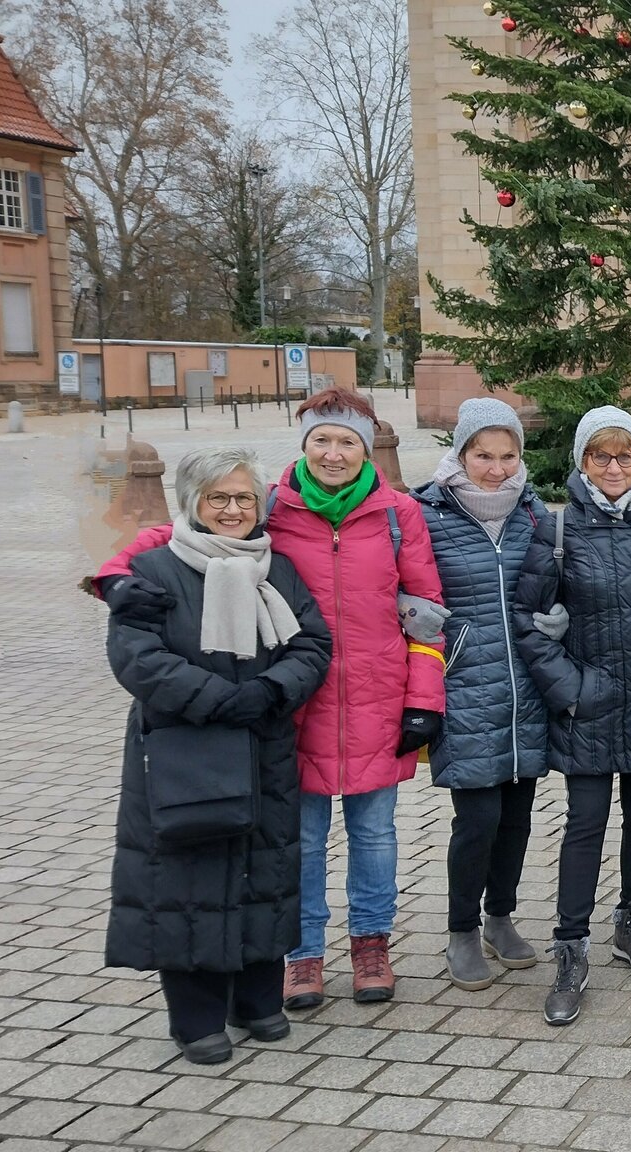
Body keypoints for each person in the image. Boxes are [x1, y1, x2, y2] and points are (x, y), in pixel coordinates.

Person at [95, 388, 446, 1009]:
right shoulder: (273, 506)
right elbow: (169, 534)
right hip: (292, 705)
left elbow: (426, 614)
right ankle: (303, 952)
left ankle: (371, 946)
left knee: (375, 835)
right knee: (299, 840)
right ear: (303, 444)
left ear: (364, 449)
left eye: (346, 442)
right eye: (321, 440)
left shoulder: (398, 513)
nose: (333, 453)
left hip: (376, 700)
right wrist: (115, 579)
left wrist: (425, 698)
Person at [103, 448, 333, 1064]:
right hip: (186, 748)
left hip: (264, 746)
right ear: (193, 503)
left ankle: (257, 1000)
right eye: (218, 498)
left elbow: (312, 643)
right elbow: (137, 657)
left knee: (266, 872)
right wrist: (216, 699)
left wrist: (269, 691)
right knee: (188, 880)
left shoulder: (277, 569)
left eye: (244, 499)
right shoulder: (152, 571)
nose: (233, 510)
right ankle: (196, 1018)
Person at [513, 406, 631, 1025]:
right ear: (582, 461)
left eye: (625, 455)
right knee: (585, 823)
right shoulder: (559, 529)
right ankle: (570, 947)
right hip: (590, 702)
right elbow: (529, 621)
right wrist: (570, 688)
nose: (615, 467)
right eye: (602, 456)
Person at [413, 397, 553, 990]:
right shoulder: (426, 513)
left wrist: (559, 619)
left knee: (518, 816)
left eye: (507, 455)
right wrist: (409, 610)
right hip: (465, 682)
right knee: (478, 817)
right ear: (461, 453)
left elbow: (553, 580)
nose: (496, 468)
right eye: (482, 455)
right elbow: (398, 580)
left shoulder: (534, 513)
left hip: (526, 683)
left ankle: (501, 918)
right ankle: (461, 931)